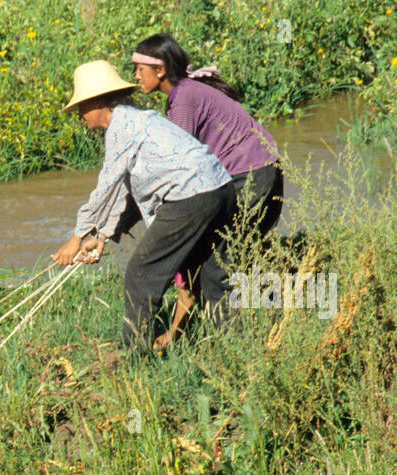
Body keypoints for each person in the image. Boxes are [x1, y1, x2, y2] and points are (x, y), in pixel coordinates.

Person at [52, 61, 237, 356]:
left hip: (191, 195)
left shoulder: (121, 128)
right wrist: (101, 237)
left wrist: (75, 238)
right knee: (213, 276)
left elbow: (105, 187)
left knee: (140, 274)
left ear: (99, 102)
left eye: (82, 108)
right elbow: (125, 189)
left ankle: (134, 358)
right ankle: (234, 350)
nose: (80, 116)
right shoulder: (136, 121)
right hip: (220, 189)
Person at [132, 34, 283, 350]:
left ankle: (235, 349)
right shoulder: (186, 92)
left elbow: (179, 165)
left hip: (251, 176)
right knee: (225, 257)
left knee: (216, 264)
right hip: (260, 173)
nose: (136, 76)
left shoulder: (183, 99)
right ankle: (254, 330)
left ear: (160, 70)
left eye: (139, 68)